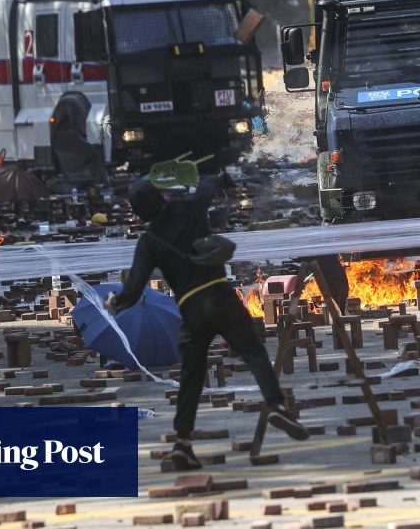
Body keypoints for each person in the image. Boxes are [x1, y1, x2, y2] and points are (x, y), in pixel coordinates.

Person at [106, 175, 308, 471]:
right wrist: (214, 175)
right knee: (253, 352)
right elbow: (207, 187)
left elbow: (134, 289)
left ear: (139, 212)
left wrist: (115, 302)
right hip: (220, 296)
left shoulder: (149, 241)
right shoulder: (189, 208)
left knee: (191, 377)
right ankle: (277, 405)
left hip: (192, 309)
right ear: (161, 197)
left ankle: (183, 444)